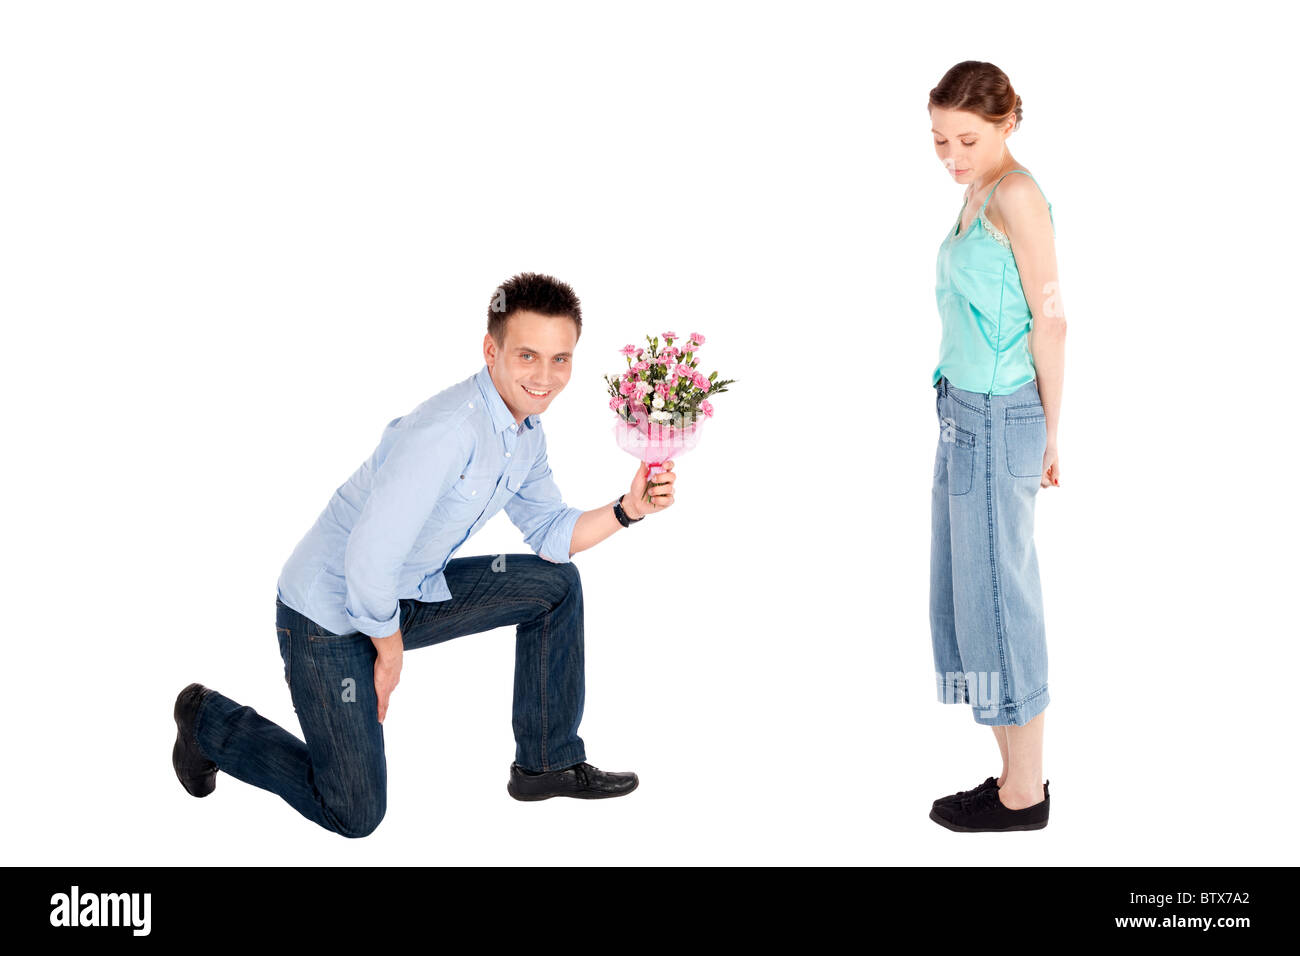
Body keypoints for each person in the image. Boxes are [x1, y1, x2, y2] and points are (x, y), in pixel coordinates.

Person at [171, 272, 676, 837]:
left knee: (555, 586)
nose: (545, 376)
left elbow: (552, 534)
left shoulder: (525, 433)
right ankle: (207, 720)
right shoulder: (448, 431)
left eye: (561, 359)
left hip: (406, 592)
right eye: (528, 354)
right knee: (354, 812)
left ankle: (546, 761)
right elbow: (366, 560)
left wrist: (628, 509)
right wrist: (388, 654)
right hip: (328, 616)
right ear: (492, 350)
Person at [925, 62, 1066, 832]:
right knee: (968, 596)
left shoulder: (1014, 194)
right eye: (940, 139)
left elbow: (1052, 319)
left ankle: (1026, 794)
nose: (952, 155)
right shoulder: (976, 192)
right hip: (960, 409)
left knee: (1002, 599)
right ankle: (1014, 775)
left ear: (1008, 121)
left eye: (967, 139)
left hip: (999, 410)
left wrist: (1050, 429)